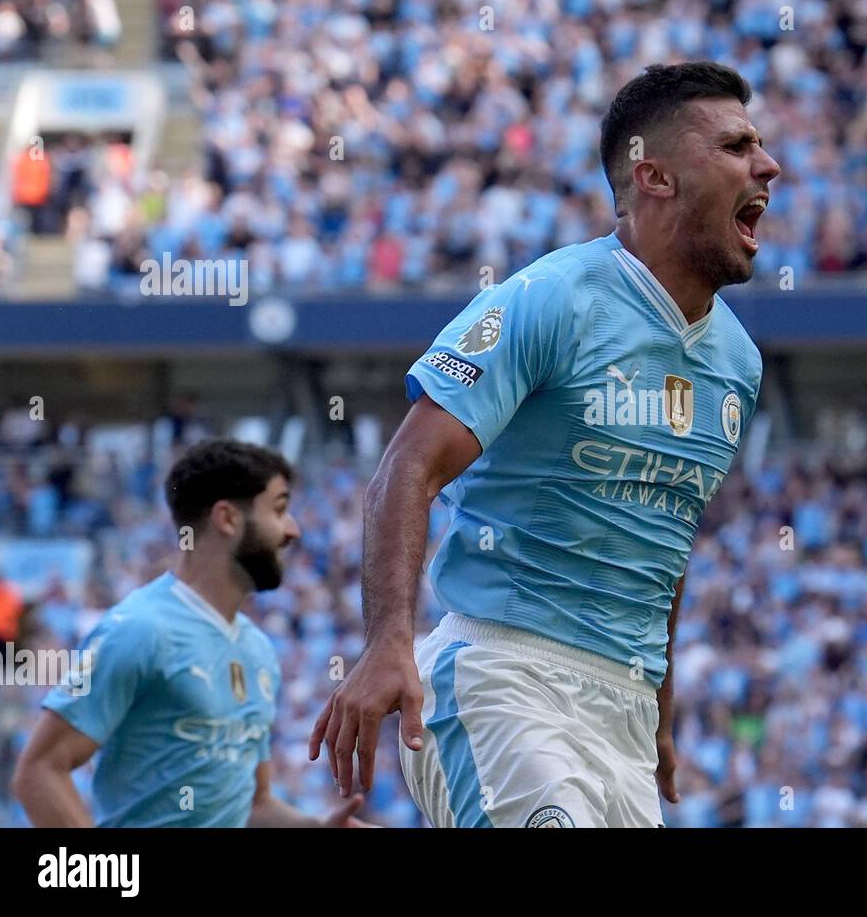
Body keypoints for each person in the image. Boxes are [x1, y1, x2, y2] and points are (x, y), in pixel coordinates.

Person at [310, 61, 781, 827]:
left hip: (623, 713)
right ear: (654, 176)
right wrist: (388, 637)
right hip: (502, 677)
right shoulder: (550, 299)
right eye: (735, 146)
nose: (768, 164)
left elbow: (665, 536)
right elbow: (407, 465)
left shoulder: (738, 362)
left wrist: (658, 708)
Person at [12, 439, 369, 827]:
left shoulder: (257, 649)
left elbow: (254, 805)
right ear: (228, 519)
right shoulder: (139, 631)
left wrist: (316, 828)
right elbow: (39, 772)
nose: (293, 530)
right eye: (280, 509)